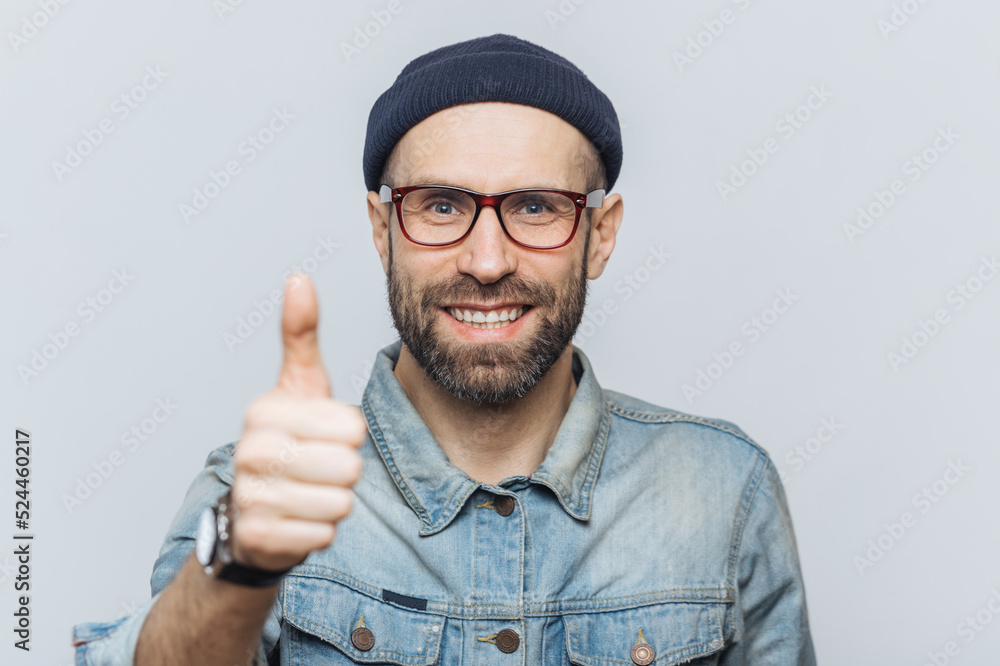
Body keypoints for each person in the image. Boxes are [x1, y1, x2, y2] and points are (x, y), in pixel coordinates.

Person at [72, 33, 816, 665]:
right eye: (441, 206)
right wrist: (239, 559)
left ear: (602, 234)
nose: (487, 261)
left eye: (535, 207)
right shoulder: (265, 490)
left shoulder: (725, 490)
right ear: (380, 229)